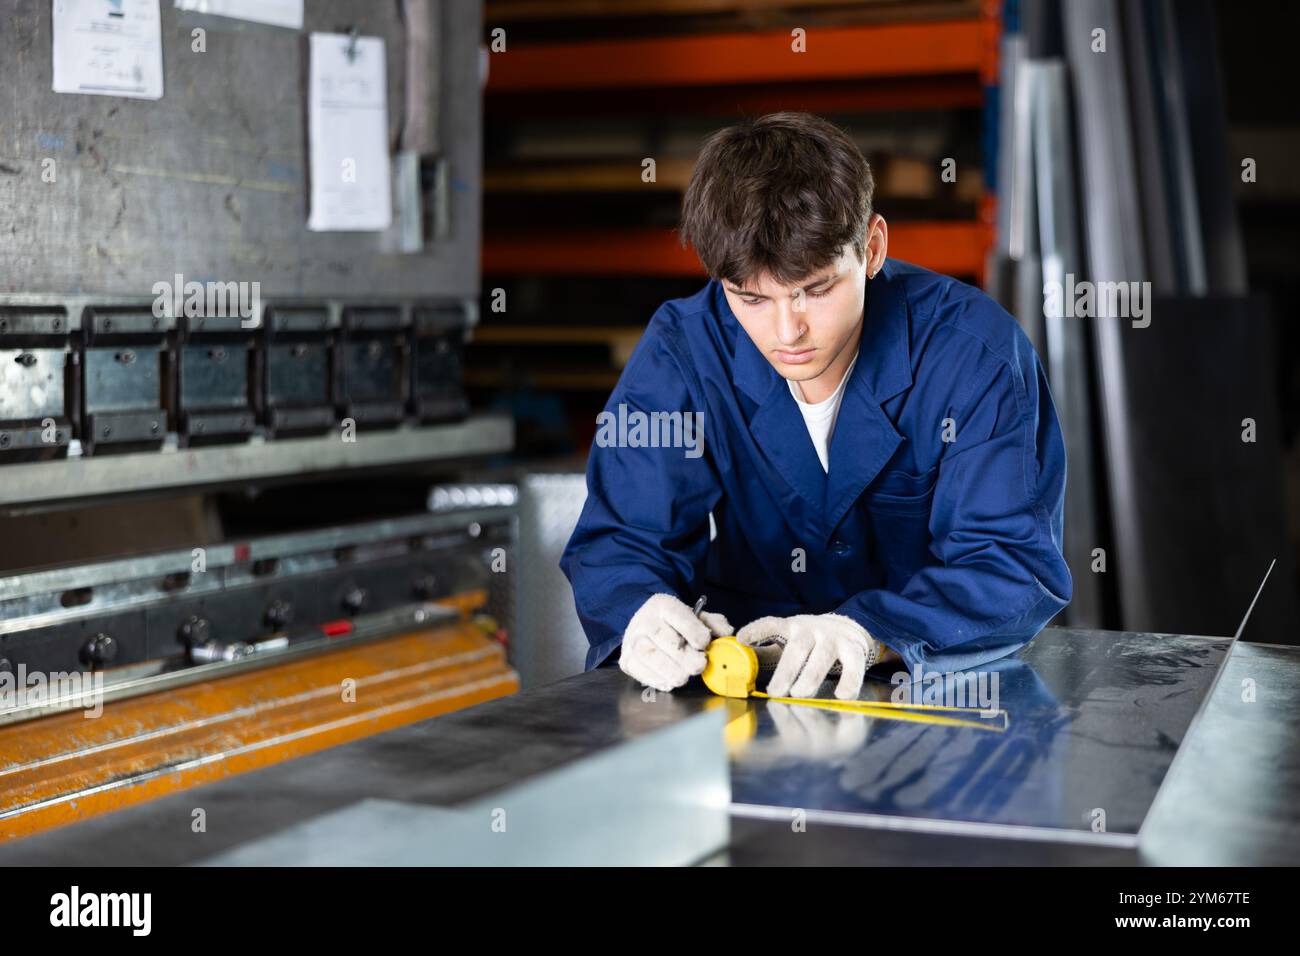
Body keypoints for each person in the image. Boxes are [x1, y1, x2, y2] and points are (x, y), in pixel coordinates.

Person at [561, 112, 1071, 700]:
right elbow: (621, 538)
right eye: (750, 297)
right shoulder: (683, 351)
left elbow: (1009, 563)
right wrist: (638, 611)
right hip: (739, 691)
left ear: (872, 248)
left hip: (925, 685)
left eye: (816, 289)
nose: (787, 331)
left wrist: (868, 632)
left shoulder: (973, 355)